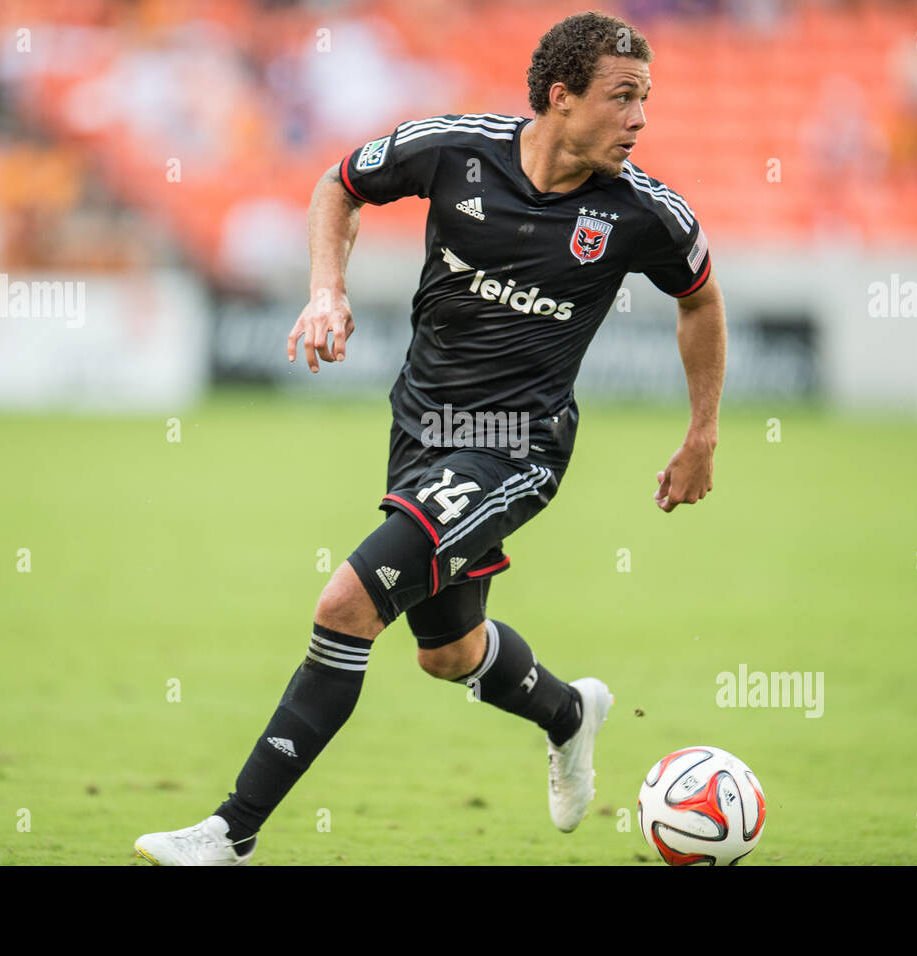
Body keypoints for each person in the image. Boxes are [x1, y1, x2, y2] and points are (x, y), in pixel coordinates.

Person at [134, 10, 725, 866]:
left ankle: (231, 832)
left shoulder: (643, 212)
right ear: (561, 97)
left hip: (516, 446)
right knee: (448, 653)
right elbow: (338, 185)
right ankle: (570, 713)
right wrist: (327, 289)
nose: (639, 119)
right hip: (421, 427)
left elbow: (700, 300)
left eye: (646, 99)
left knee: (346, 606)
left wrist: (702, 433)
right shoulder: (455, 150)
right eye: (622, 97)